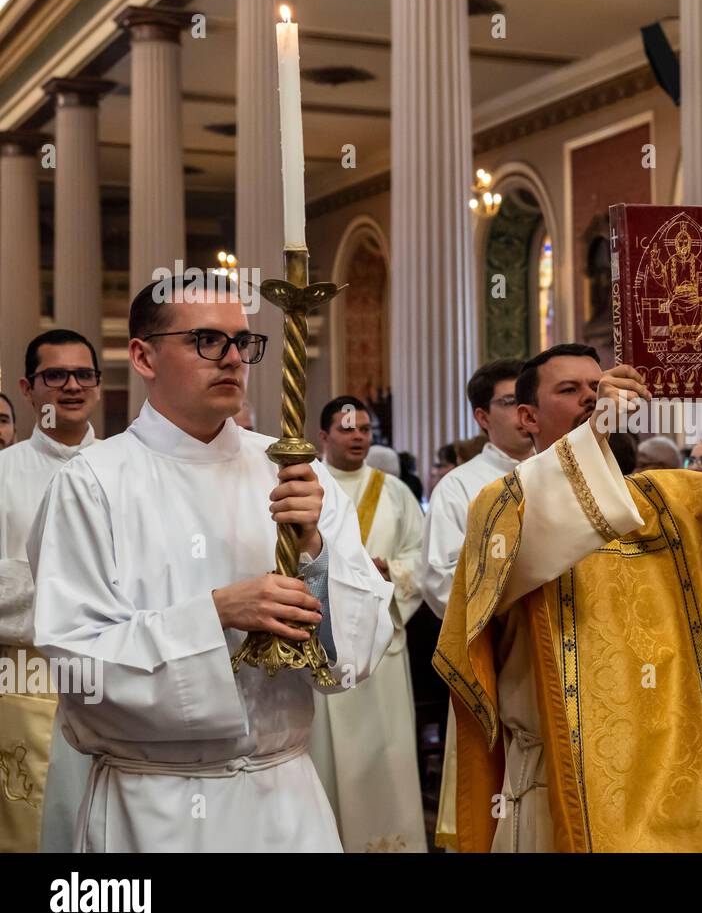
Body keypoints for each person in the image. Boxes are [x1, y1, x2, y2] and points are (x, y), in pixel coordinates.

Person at [27, 276, 394, 852]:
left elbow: (358, 653)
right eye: (206, 340)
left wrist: (315, 556)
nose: (231, 358)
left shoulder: (296, 473)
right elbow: (78, 661)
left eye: (243, 343)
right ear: (144, 356)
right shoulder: (93, 483)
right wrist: (217, 612)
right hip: (155, 805)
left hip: (286, 797)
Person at [435, 343, 702, 852]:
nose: (595, 394)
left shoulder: (676, 495)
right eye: (571, 390)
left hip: (690, 784)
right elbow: (533, 529)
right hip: (562, 784)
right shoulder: (503, 504)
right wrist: (595, 429)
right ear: (527, 417)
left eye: (598, 384)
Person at [418, 358, 533, 850]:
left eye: (528, 401)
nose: (524, 414)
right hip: (493, 657)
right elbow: (439, 579)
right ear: (483, 417)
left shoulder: (564, 473)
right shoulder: (460, 487)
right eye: (510, 403)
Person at [310, 395, 427, 852]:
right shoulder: (306, 485)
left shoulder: (394, 491)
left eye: (364, 429)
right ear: (324, 436)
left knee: (387, 753)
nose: (358, 436)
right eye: (347, 428)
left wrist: (391, 573)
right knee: (325, 757)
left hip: (382, 646)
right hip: (321, 642)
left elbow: (421, 559)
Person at [0, 330, 102, 852]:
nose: (71, 385)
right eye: (54, 375)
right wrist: (86, 597)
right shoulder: (3, 472)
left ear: (99, 387)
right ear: (28, 388)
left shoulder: (124, 470)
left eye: (83, 374)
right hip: (23, 683)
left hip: (114, 688)